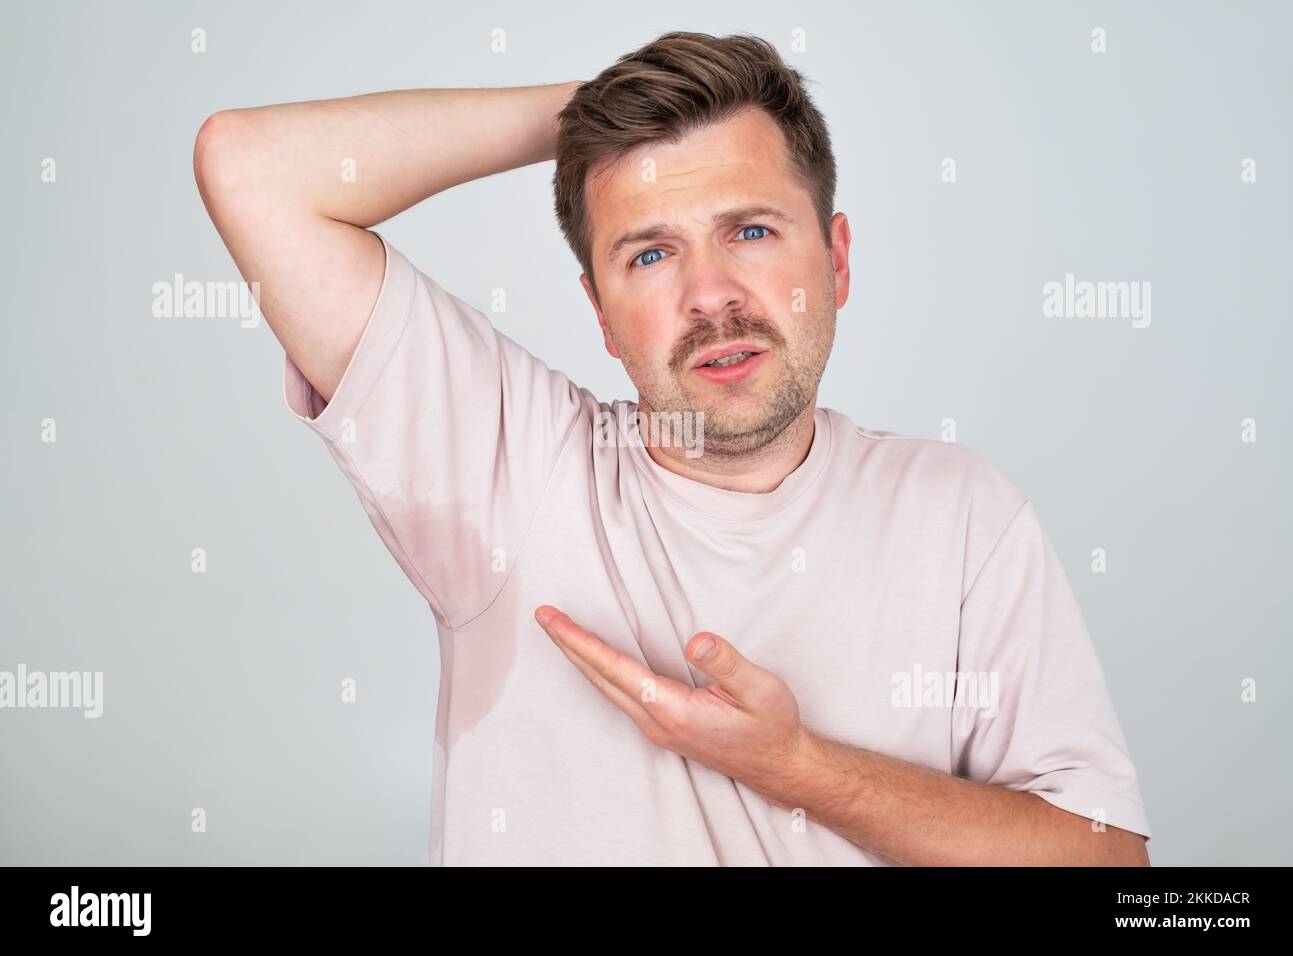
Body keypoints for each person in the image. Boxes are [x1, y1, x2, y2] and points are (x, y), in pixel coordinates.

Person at [193, 30, 1151, 866]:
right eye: (650, 253)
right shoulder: (511, 467)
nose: (710, 294)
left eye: (751, 229)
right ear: (602, 317)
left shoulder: (961, 512)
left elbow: (1103, 863)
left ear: (838, 259)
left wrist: (794, 767)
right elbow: (250, 165)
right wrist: (593, 115)